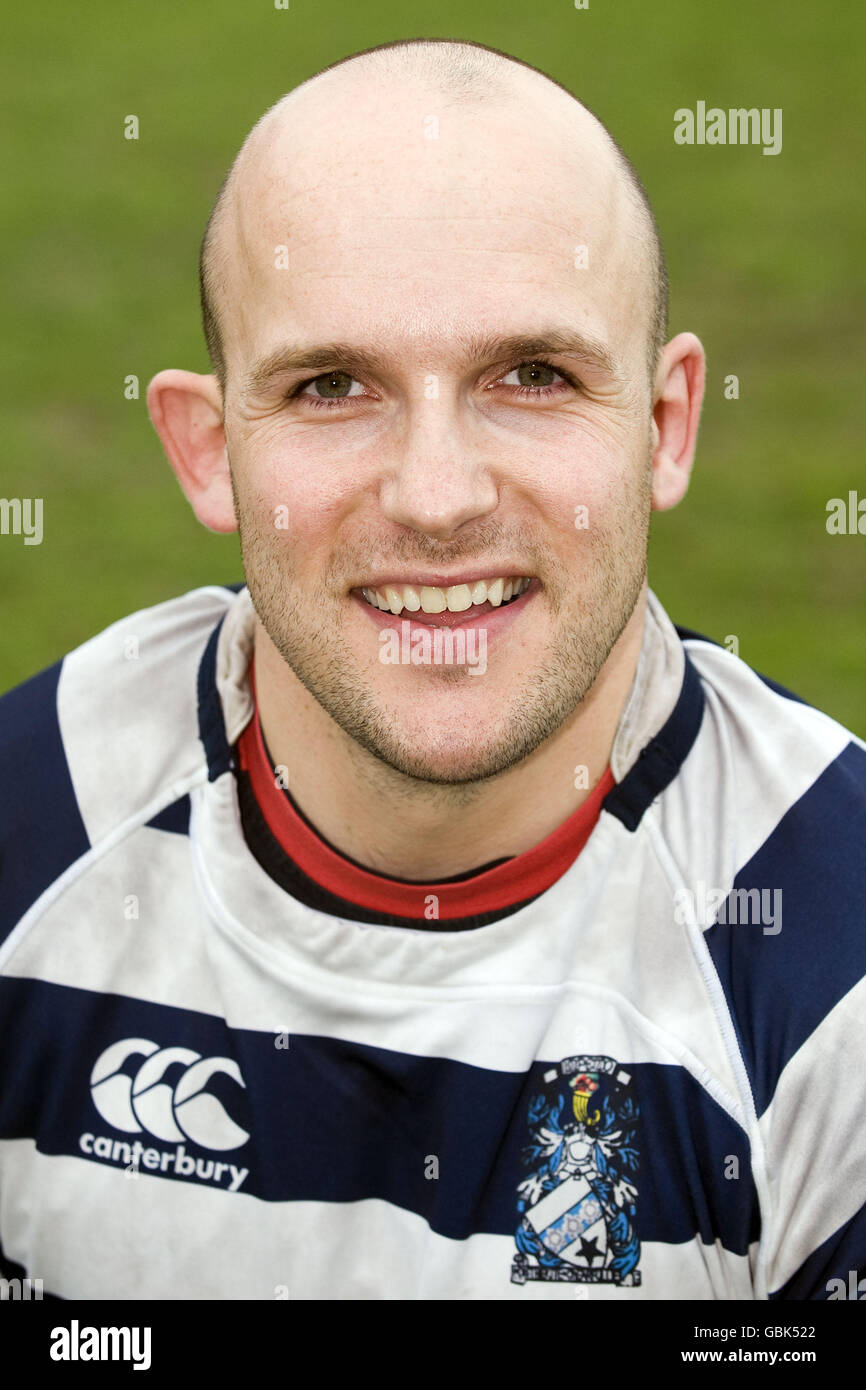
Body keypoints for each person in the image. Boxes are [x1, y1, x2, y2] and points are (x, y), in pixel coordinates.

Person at [0, 37, 863, 1302]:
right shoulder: (31, 836)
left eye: (532, 375)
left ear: (665, 426)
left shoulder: (833, 980)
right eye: (332, 385)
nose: (437, 497)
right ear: (204, 449)